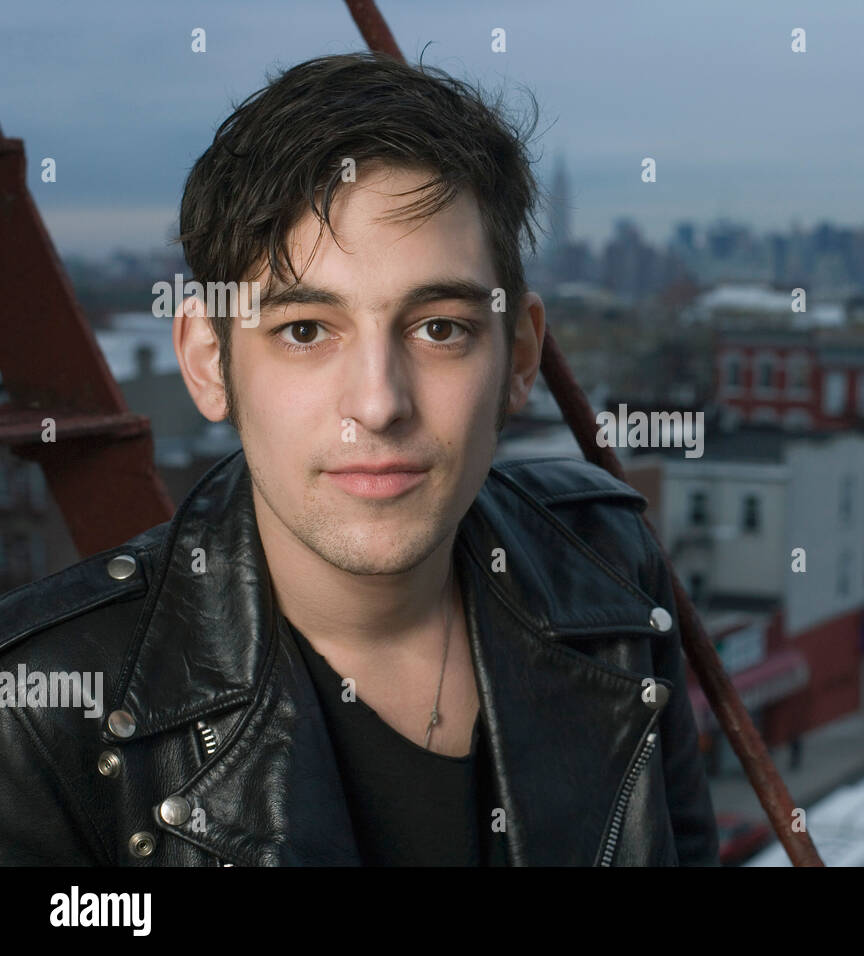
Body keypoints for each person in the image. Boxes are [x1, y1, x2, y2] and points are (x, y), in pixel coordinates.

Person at [0, 52, 718, 866]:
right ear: (208, 362)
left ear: (520, 356)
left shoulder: (607, 563)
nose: (378, 404)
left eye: (439, 327)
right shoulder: (35, 712)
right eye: (305, 330)